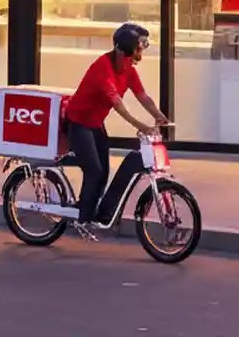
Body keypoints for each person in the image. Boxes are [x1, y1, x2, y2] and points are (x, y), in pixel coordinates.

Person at [62, 23, 170, 234]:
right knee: (94, 171)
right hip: (78, 123)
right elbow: (118, 104)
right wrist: (141, 126)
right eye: (139, 48)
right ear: (127, 48)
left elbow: (142, 96)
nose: (141, 53)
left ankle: (97, 213)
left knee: (104, 172)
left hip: (95, 123)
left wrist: (158, 115)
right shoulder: (103, 68)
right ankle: (82, 217)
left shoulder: (127, 67)